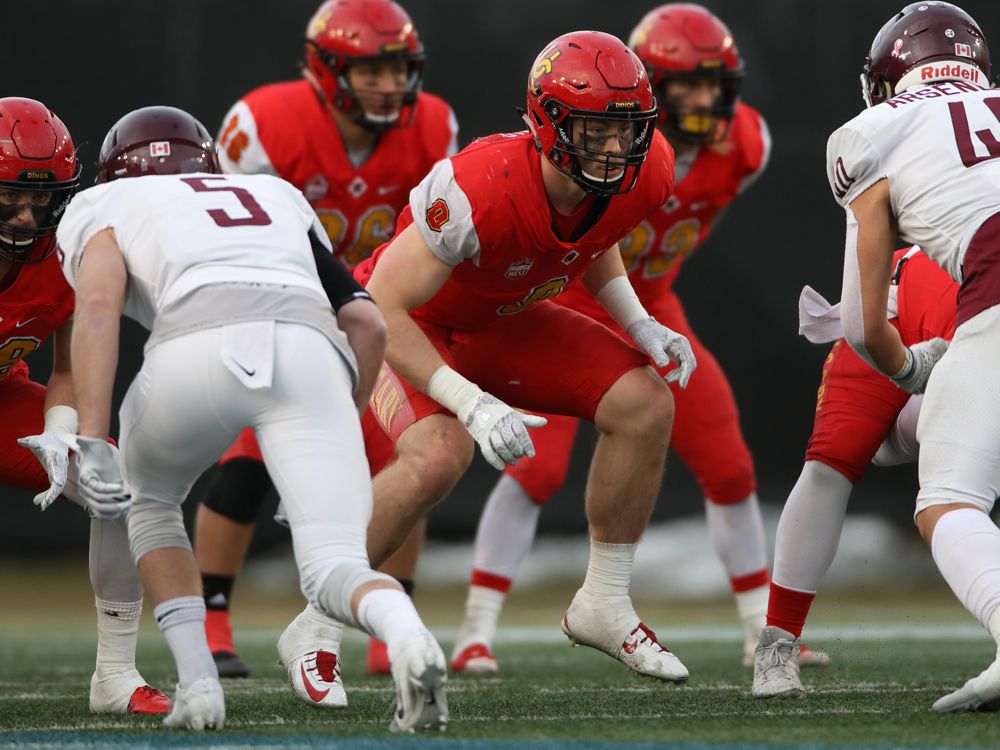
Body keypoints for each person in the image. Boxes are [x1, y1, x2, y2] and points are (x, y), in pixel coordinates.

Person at [449, 3, 818, 674]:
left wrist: (646, 315)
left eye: (716, 85)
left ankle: (760, 630)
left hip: (651, 302)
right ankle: (476, 630)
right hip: (566, 300)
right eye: (688, 85)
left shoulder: (747, 146)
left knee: (729, 462)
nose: (706, 101)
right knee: (537, 468)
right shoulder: (605, 149)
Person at [54, 105, 448, 732]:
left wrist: (94, 436)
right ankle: (408, 635)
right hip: (309, 351)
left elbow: (98, 307)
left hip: (195, 344)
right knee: (332, 564)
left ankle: (199, 684)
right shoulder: (273, 193)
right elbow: (367, 323)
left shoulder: (105, 205)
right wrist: (337, 434)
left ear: (114, 175)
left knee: (149, 499)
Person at [349, 29, 697, 682]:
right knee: (438, 457)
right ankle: (316, 615)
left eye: (628, 130)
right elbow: (379, 304)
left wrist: (638, 321)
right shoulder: (479, 186)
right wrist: (468, 401)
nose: (618, 149)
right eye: (597, 132)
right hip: (410, 327)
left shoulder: (644, 171)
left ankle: (605, 600)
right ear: (550, 122)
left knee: (644, 404)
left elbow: (598, 235)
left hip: (496, 321)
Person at [197, 0, 458, 687]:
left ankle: (386, 619)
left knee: (404, 452)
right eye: (370, 69)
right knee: (250, 454)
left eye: (398, 68)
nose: (388, 84)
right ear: (327, 69)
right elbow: (239, 239)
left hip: (379, 309)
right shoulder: (265, 124)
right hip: (281, 303)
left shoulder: (433, 125)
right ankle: (211, 619)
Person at [765, 1, 1000, 712]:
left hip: (982, 292)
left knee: (949, 501)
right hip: (975, 302)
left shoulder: (873, 131)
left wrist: (910, 370)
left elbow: (865, 323)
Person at [2, 96, 169, 716]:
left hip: (3, 402)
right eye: (10, 198)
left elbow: (69, 368)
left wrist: (59, 431)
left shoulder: (66, 253)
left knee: (114, 480)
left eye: (41, 201)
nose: (26, 217)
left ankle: (115, 674)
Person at [752, 247, 957, 698]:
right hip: (897, 311)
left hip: (968, 336)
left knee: (962, 475)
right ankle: (778, 642)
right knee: (833, 457)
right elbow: (866, 230)